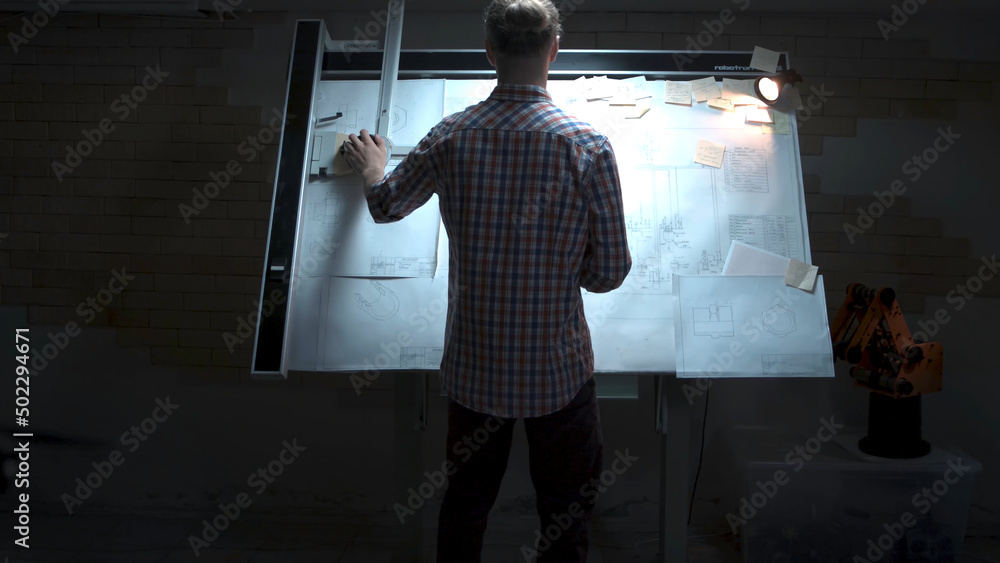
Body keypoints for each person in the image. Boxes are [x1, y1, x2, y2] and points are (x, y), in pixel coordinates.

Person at [343, 0, 631, 560]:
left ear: (489, 52)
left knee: (466, 506)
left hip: (477, 370)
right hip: (560, 372)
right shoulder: (588, 147)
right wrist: (571, 270)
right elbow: (610, 274)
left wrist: (374, 165)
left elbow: (386, 205)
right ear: (554, 50)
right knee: (565, 516)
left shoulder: (451, 137)